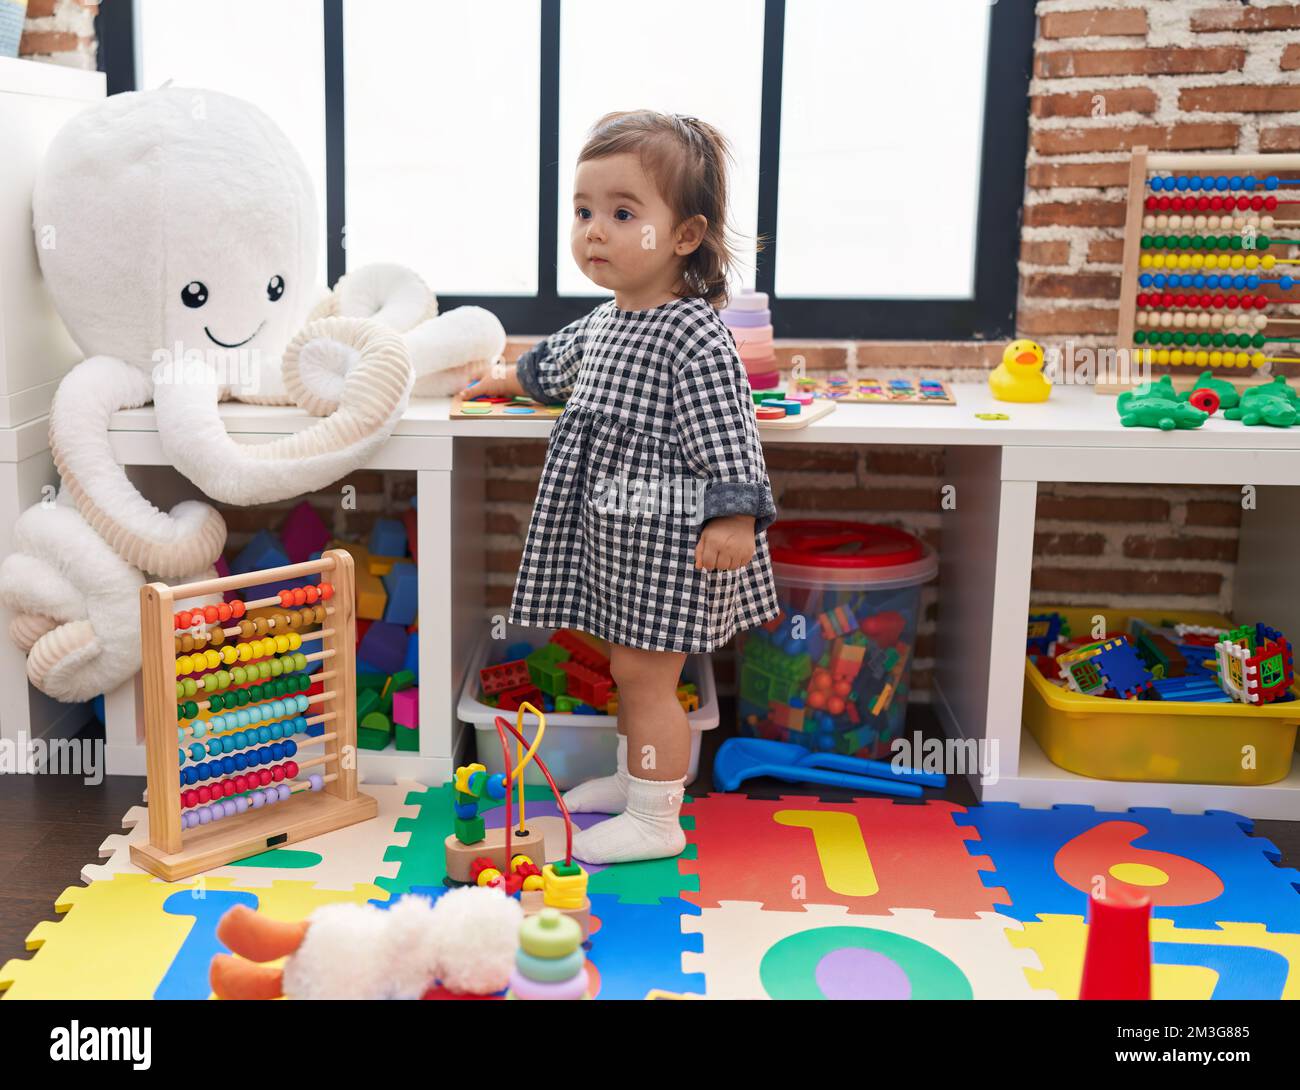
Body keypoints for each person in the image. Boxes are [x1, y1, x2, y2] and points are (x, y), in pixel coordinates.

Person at [464, 110, 778, 863]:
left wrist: (733, 517)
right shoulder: (609, 320)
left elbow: (730, 431)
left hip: (669, 543)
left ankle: (656, 817)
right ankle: (629, 777)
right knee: (623, 665)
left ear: (684, 236)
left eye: (621, 213)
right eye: (583, 212)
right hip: (617, 542)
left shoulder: (692, 333)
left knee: (646, 677)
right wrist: (506, 376)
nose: (593, 230)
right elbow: (555, 364)